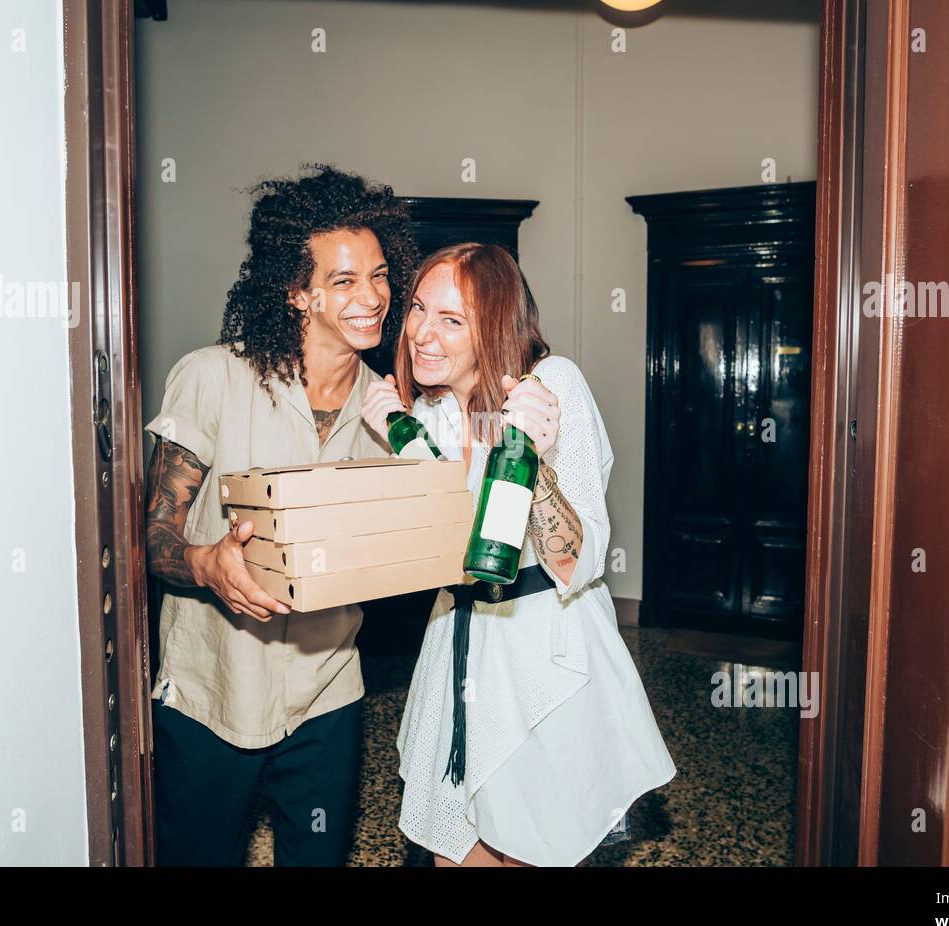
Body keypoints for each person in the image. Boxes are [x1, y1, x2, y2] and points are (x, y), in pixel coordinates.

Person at [362, 242, 677, 866]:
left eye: (452, 320)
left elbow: (575, 562)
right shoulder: (430, 407)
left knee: (530, 843)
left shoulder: (550, 384)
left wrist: (533, 458)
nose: (422, 333)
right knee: (454, 844)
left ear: (496, 325)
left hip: (540, 645)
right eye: (419, 308)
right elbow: (444, 538)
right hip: (458, 639)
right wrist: (401, 434)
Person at [143, 164, 419, 866]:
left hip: (328, 691)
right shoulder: (212, 377)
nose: (372, 298)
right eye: (344, 280)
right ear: (297, 291)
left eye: (379, 275)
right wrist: (205, 563)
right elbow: (154, 534)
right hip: (212, 692)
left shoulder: (391, 413)